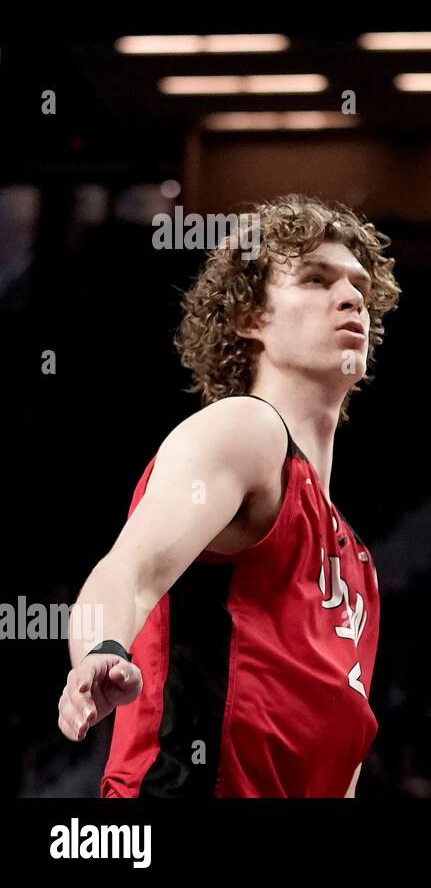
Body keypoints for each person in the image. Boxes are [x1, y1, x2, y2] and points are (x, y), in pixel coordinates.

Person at [56, 195, 400, 797]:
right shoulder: (244, 430)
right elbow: (127, 572)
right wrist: (100, 651)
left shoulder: (356, 562)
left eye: (358, 286)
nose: (350, 298)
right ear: (249, 317)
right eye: (316, 279)